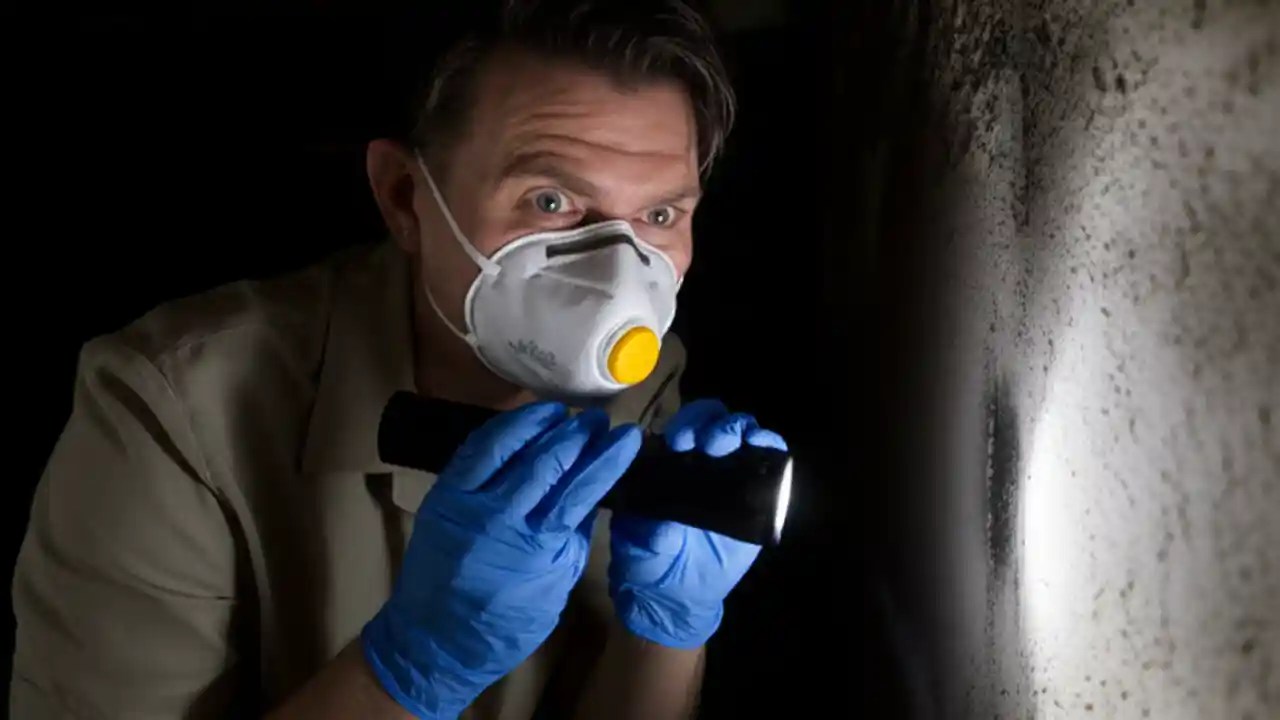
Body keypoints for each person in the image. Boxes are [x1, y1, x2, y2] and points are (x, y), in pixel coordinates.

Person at [10, 1, 786, 718]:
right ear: (405, 196)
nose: (620, 274)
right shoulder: (170, 410)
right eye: (550, 201)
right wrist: (414, 666)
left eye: (658, 214)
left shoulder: (645, 384)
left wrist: (666, 632)